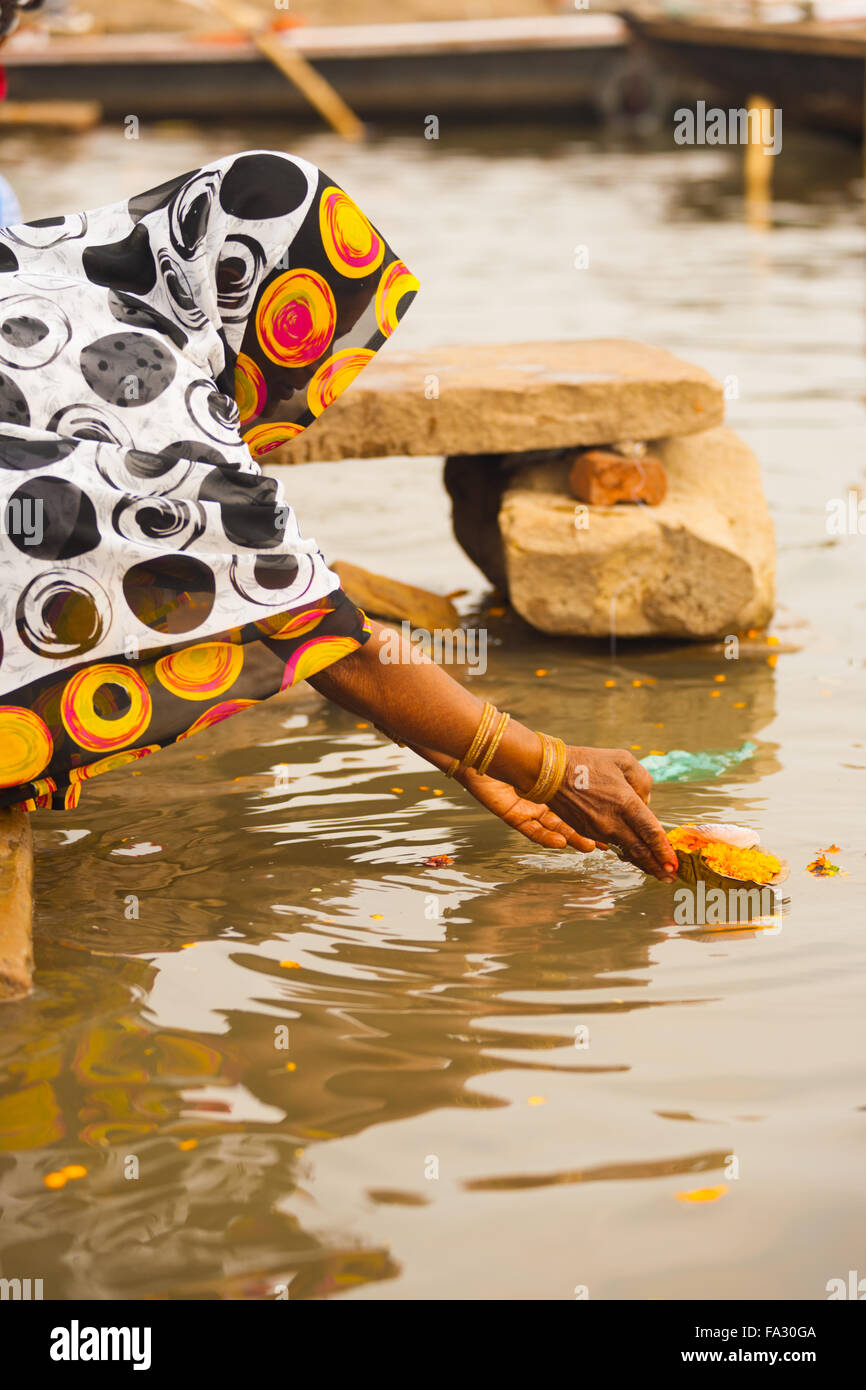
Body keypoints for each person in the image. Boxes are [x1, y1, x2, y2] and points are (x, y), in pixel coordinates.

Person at [0, 148, 677, 883]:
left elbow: (287, 612)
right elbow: (329, 633)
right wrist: (551, 769)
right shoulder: (154, 387)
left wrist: (459, 751)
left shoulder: (46, 270)